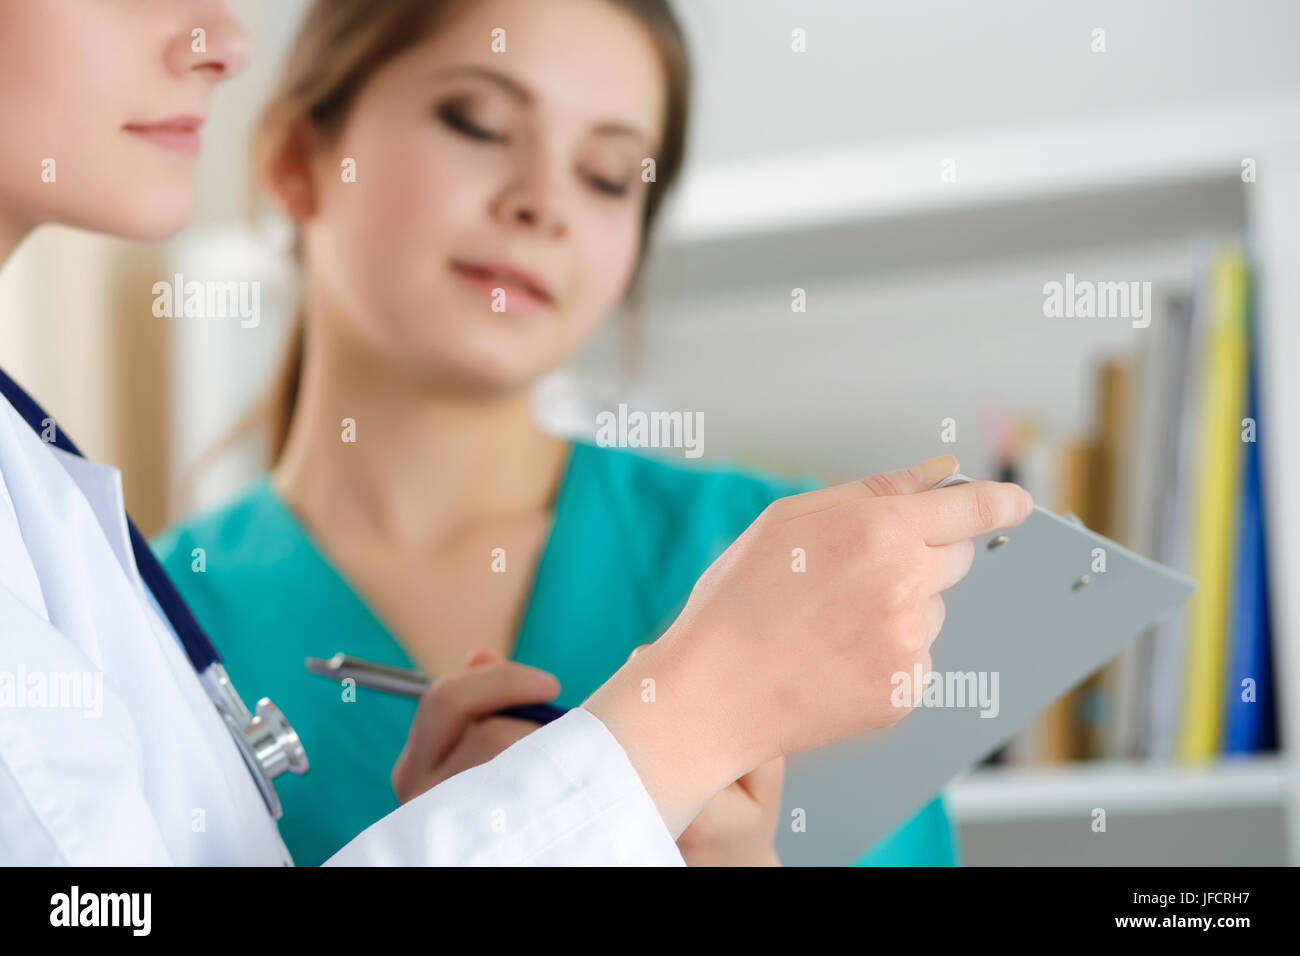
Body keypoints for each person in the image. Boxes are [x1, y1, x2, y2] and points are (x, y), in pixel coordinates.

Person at [0, 0, 1033, 866]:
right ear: (296, 161)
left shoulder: (801, 566)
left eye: (606, 175)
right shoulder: (149, 600)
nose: (542, 201)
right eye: (478, 122)